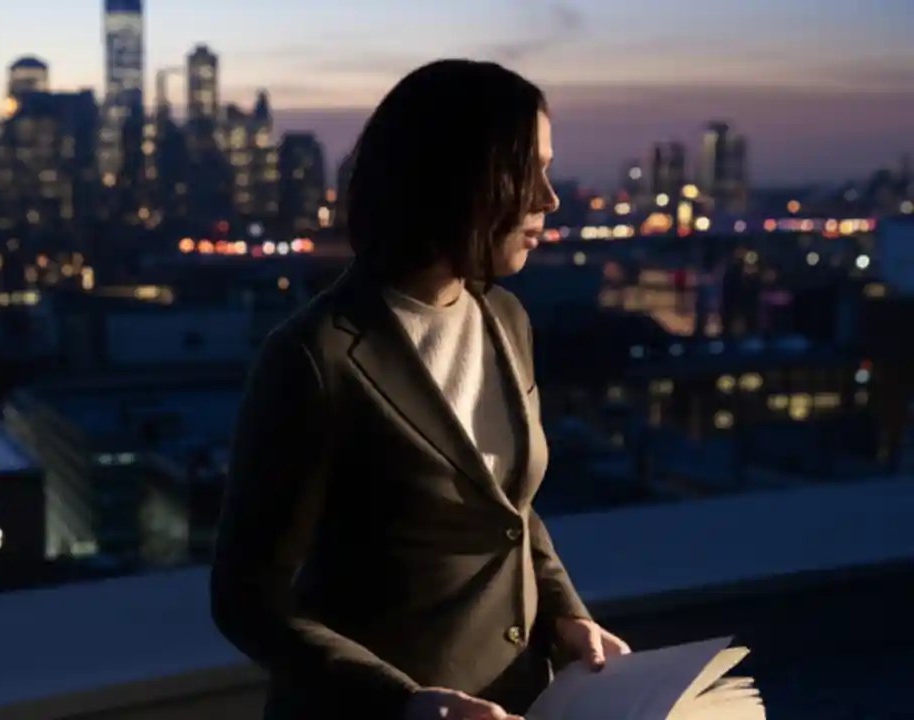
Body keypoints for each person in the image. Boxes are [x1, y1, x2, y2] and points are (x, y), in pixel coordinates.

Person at [210, 59, 631, 720]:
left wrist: (566, 617)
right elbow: (246, 598)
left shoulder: (507, 320)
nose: (550, 198)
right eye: (528, 172)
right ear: (458, 178)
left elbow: (508, 513)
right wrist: (403, 704)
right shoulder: (315, 357)